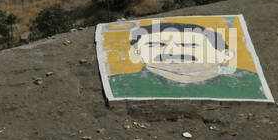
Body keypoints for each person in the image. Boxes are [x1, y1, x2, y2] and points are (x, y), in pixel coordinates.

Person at [108, 21, 266, 98]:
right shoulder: (119, 84)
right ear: (136, 53)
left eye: (188, 45)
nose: (170, 51)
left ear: (224, 54)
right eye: (154, 45)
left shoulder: (249, 82)